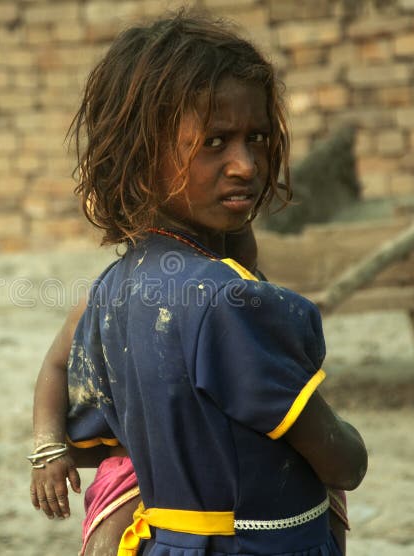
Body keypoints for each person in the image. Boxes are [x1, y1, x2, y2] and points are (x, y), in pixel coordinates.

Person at [29, 11, 367, 556]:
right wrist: (351, 444)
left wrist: (48, 448)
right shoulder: (229, 302)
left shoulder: (115, 288)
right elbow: (342, 463)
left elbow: (94, 425)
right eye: (214, 142)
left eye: (256, 138)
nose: (246, 164)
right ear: (143, 160)